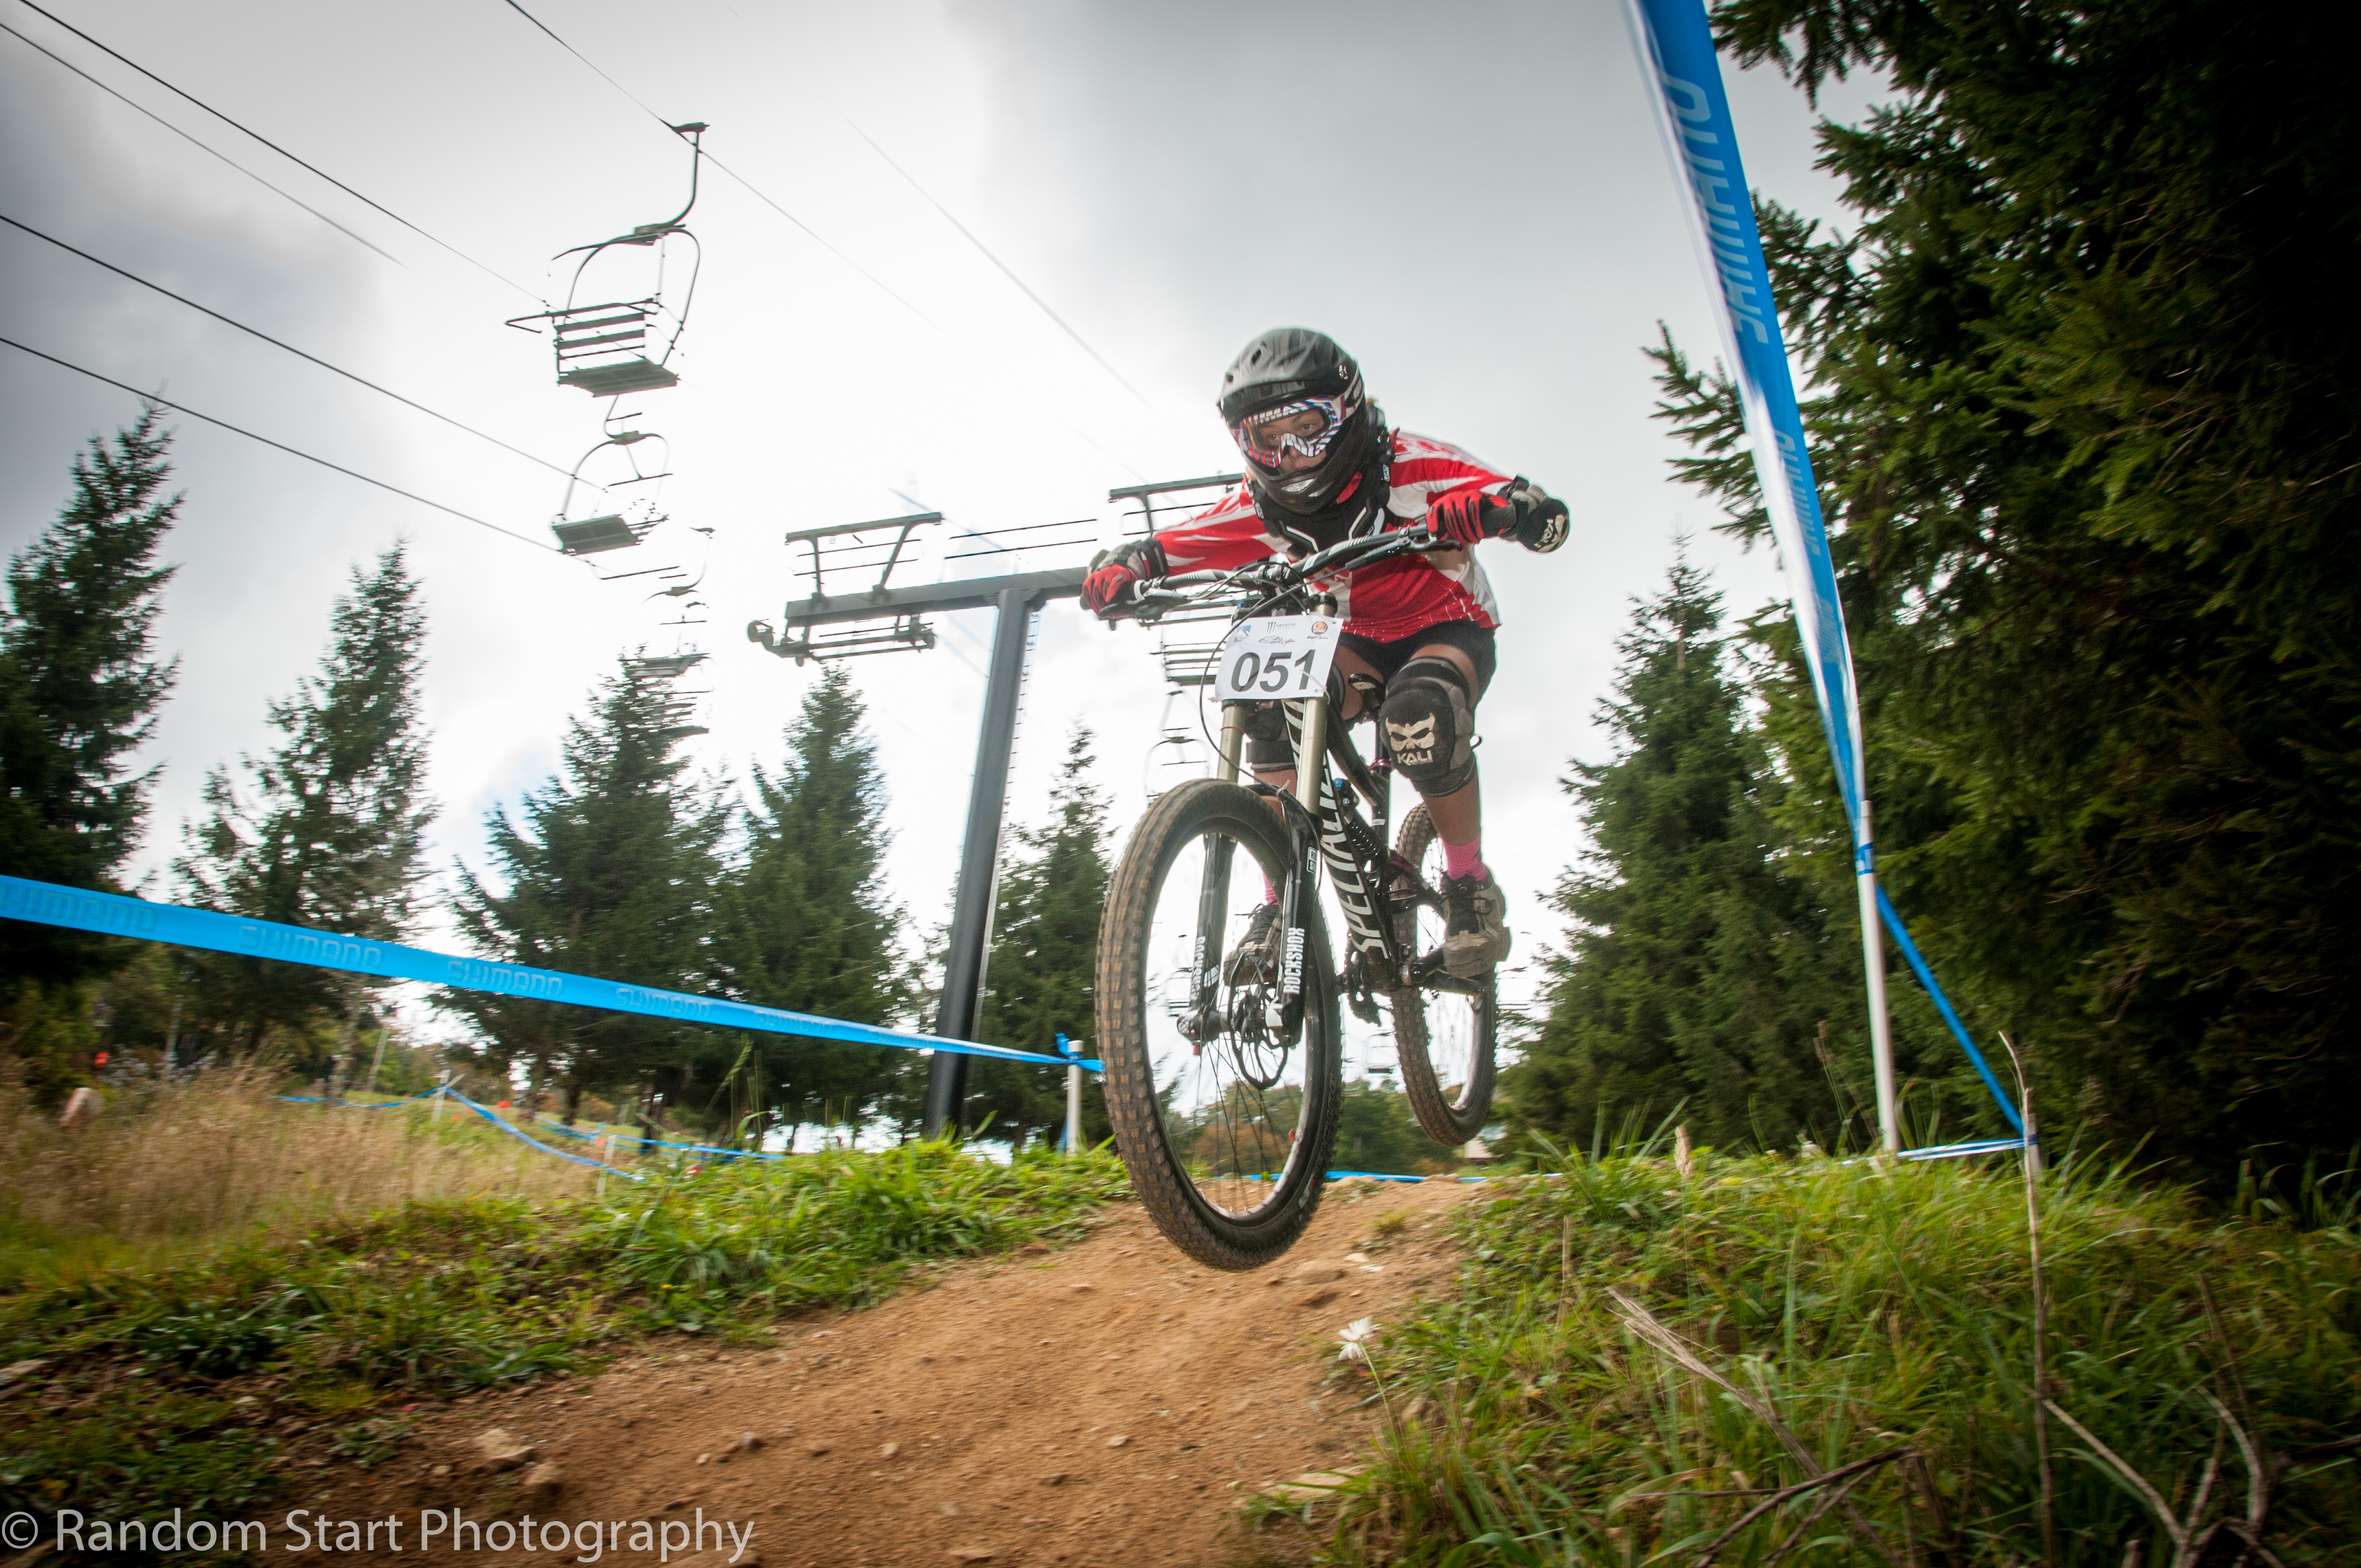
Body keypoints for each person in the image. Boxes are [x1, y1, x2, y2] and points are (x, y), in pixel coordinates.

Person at [1081, 327, 1566, 979]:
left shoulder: (1411, 465)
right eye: (1267, 438)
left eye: (1306, 428)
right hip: (1352, 642)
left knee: (1420, 715)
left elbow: (1521, 502)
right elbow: (1176, 545)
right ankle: (1278, 900)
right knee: (1265, 698)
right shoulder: (1260, 505)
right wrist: (1129, 566)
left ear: (1348, 409)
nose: (1288, 454)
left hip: (1444, 626)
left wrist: (1514, 512)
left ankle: (1467, 885)